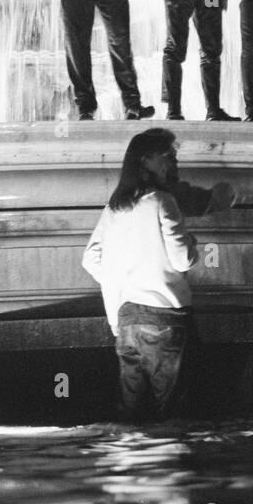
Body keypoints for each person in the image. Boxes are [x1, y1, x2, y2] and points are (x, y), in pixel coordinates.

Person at [82, 129, 197, 421]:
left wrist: (125, 278)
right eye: (167, 155)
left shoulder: (114, 208)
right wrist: (194, 245)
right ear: (144, 160)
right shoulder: (162, 201)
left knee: (131, 413)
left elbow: (90, 259)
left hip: (127, 321)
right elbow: (183, 260)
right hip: (164, 318)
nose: (173, 161)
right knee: (172, 409)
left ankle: (133, 463)